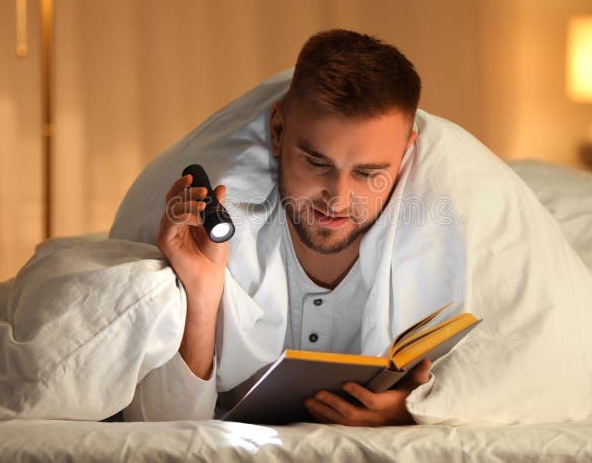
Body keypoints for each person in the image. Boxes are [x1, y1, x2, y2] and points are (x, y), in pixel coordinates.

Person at [140, 29, 432, 426]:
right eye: (316, 162)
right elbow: (163, 429)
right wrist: (202, 293)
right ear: (277, 131)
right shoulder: (229, 237)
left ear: (406, 152)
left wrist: (412, 410)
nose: (338, 199)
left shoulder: (428, 250)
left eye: (368, 173)